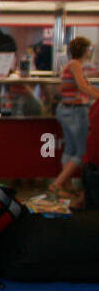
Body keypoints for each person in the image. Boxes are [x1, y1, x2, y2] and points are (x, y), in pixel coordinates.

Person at [49, 37, 99, 200]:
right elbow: (82, 86)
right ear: (85, 51)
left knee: (70, 149)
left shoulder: (71, 65)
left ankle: (66, 185)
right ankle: (57, 184)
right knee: (82, 151)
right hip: (76, 112)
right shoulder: (76, 65)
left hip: (66, 110)